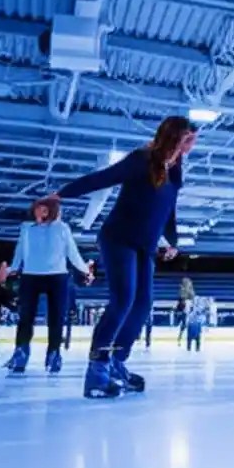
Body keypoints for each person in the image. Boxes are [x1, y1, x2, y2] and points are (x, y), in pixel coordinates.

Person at [50, 115, 194, 398]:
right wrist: (63, 193)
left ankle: (117, 361)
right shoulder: (142, 158)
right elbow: (103, 177)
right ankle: (96, 371)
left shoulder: (175, 168)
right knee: (123, 300)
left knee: (142, 304)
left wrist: (172, 241)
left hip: (145, 246)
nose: (191, 146)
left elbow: (168, 209)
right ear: (173, 138)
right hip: (119, 238)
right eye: (187, 139)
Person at [5, 197, 93, 374]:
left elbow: (72, 252)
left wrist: (85, 270)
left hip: (57, 276)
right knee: (25, 317)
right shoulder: (26, 228)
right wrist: (13, 269)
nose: (39, 211)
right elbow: (20, 250)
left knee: (56, 318)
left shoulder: (61, 228)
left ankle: (54, 354)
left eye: (43, 209)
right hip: (31, 275)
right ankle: (21, 352)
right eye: (37, 208)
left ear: (51, 211)